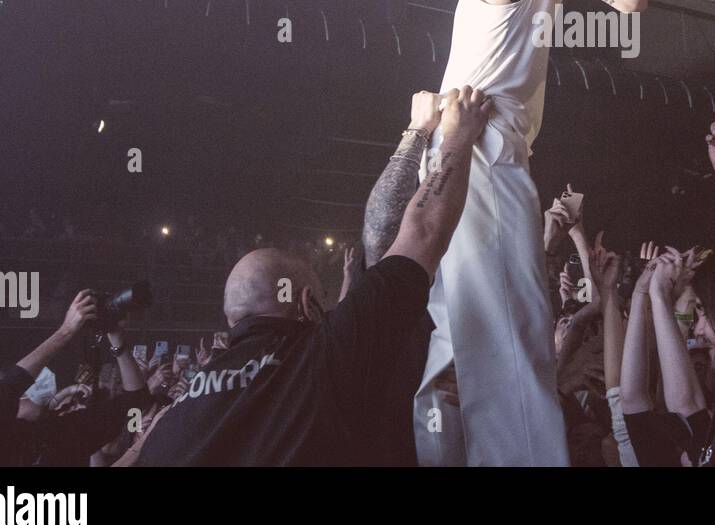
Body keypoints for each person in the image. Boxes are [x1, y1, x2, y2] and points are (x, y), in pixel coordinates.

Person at [414, 0, 715, 466]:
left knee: (462, 327)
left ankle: (442, 450)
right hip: (485, 145)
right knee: (515, 322)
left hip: (463, 148)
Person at [135, 87, 491, 465]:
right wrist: (456, 132)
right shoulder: (322, 358)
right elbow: (414, 234)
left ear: (231, 317)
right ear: (306, 304)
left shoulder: (174, 419)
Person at [0, 289, 148, 465]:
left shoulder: (55, 435)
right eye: (34, 378)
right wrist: (66, 331)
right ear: (18, 397)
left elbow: (136, 403)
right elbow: (6, 387)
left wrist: (116, 338)